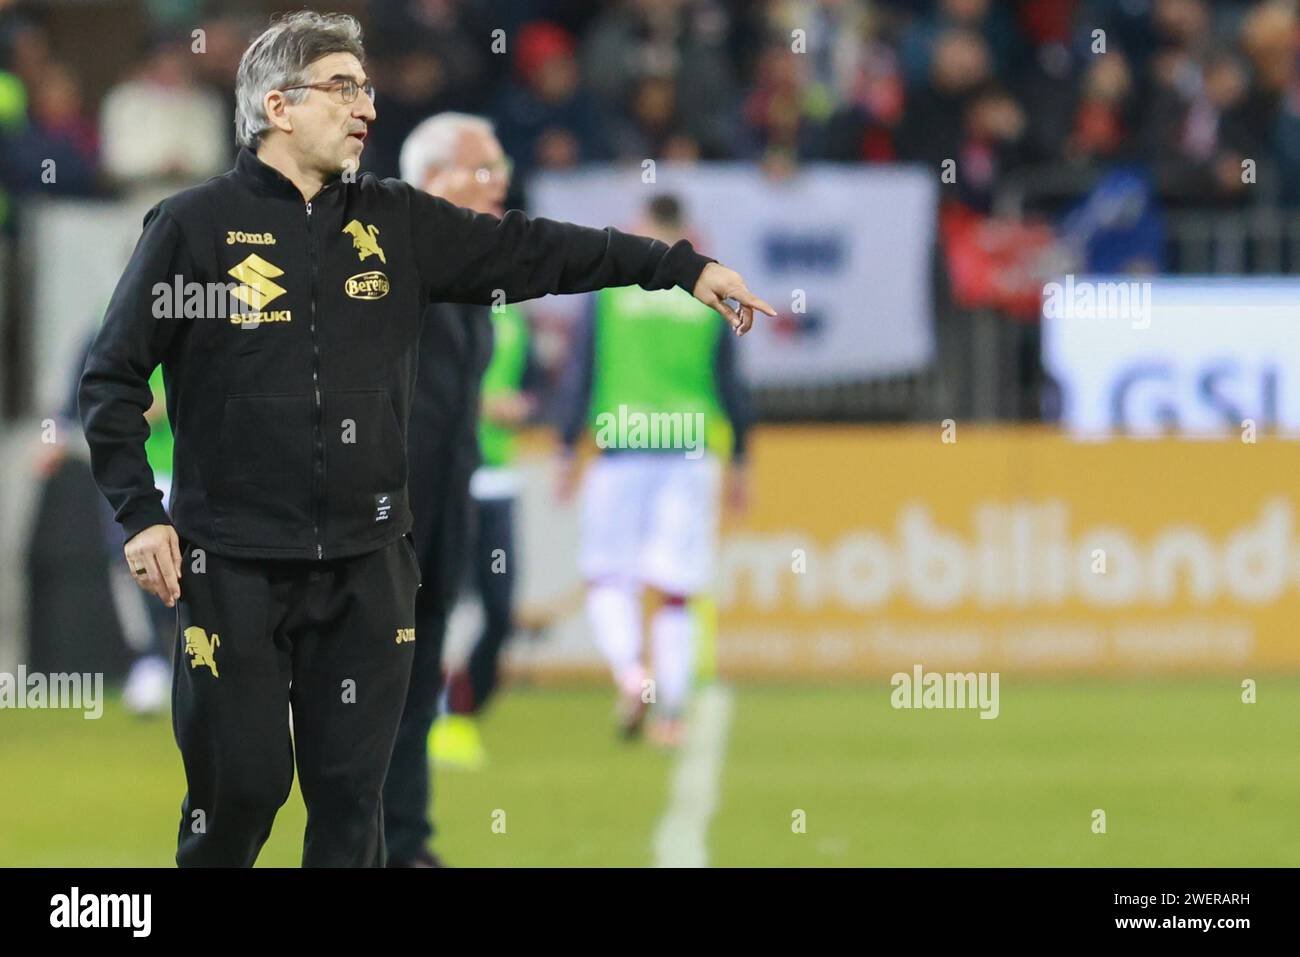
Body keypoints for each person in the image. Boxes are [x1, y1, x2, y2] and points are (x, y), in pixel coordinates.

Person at [78, 11, 771, 868]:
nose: (365, 106)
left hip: (369, 565)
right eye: (342, 87)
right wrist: (142, 513)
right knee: (243, 791)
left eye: (366, 88)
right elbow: (109, 380)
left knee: (350, 808)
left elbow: (535, 250)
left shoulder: (399, 222)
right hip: (232, 564)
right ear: (277, 106)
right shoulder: (191, 228)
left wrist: (679, 266)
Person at [558, 194, 754, 747]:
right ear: (688, 233)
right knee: (675, 590)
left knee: (608, 576)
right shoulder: (709, 293)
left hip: (621, 444)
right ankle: (671, 708)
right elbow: (732, 384)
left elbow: (581, 370)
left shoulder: (614, 290)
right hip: (688, 448)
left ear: (643, 231)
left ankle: (631, 674)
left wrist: (567, 449)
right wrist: (741, 459)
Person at [381, 111, 516, 867]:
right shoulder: (390, 263)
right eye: (481, 168)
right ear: (430, 182)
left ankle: (407, 844)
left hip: (441, 520)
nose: (500, 183)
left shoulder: (473, 280)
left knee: (413, 693)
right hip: (385, 524)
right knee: (369, 699)